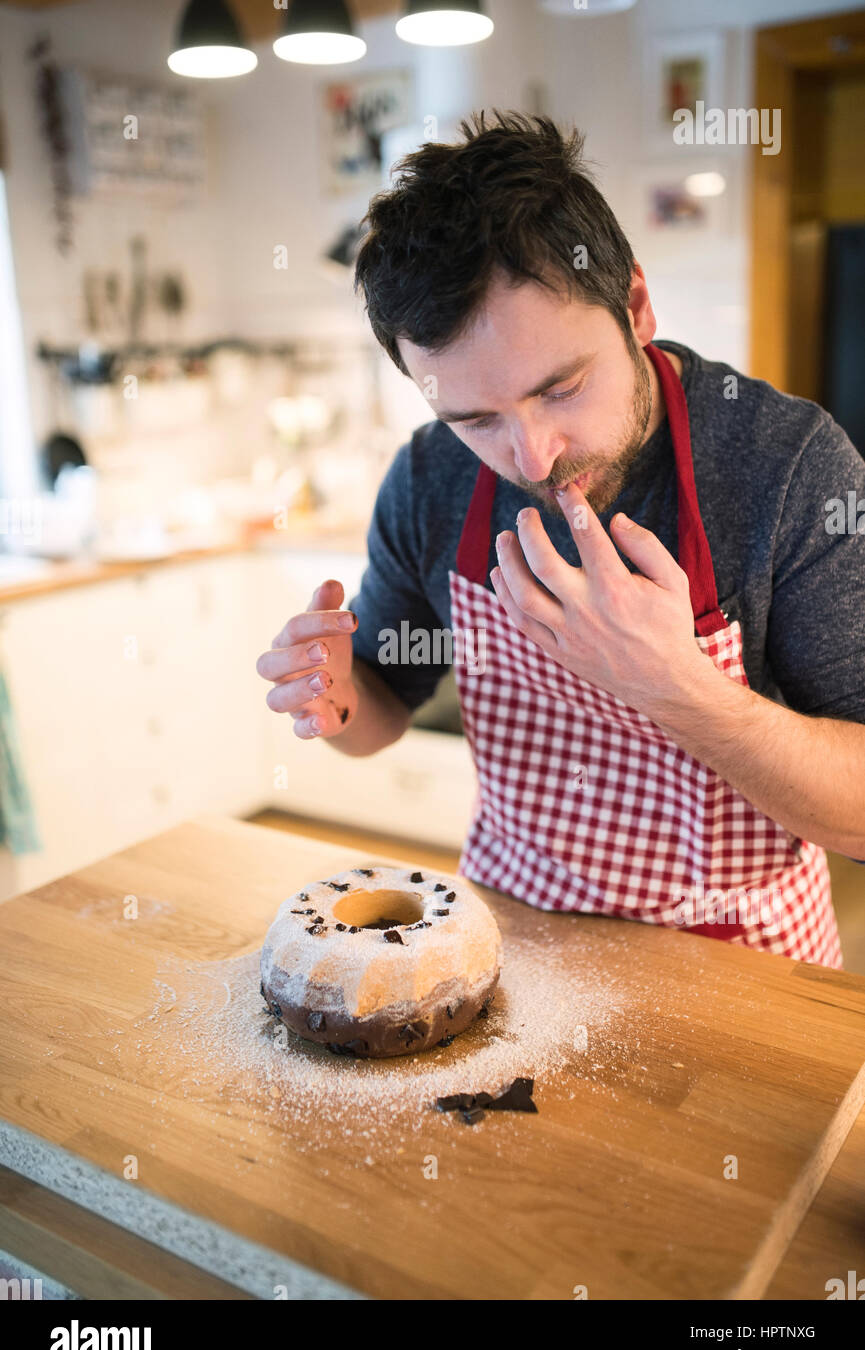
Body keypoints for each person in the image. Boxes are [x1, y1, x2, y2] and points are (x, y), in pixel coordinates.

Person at [256, 111, 865, 967]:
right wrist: (335, 693)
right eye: (475, 419)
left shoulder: (785, 470)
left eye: (561, 389)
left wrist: (676, 687)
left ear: (636, 307)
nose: (531, 455)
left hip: (740, 961)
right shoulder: (431, 478)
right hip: (511, 942)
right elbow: (381, 710)